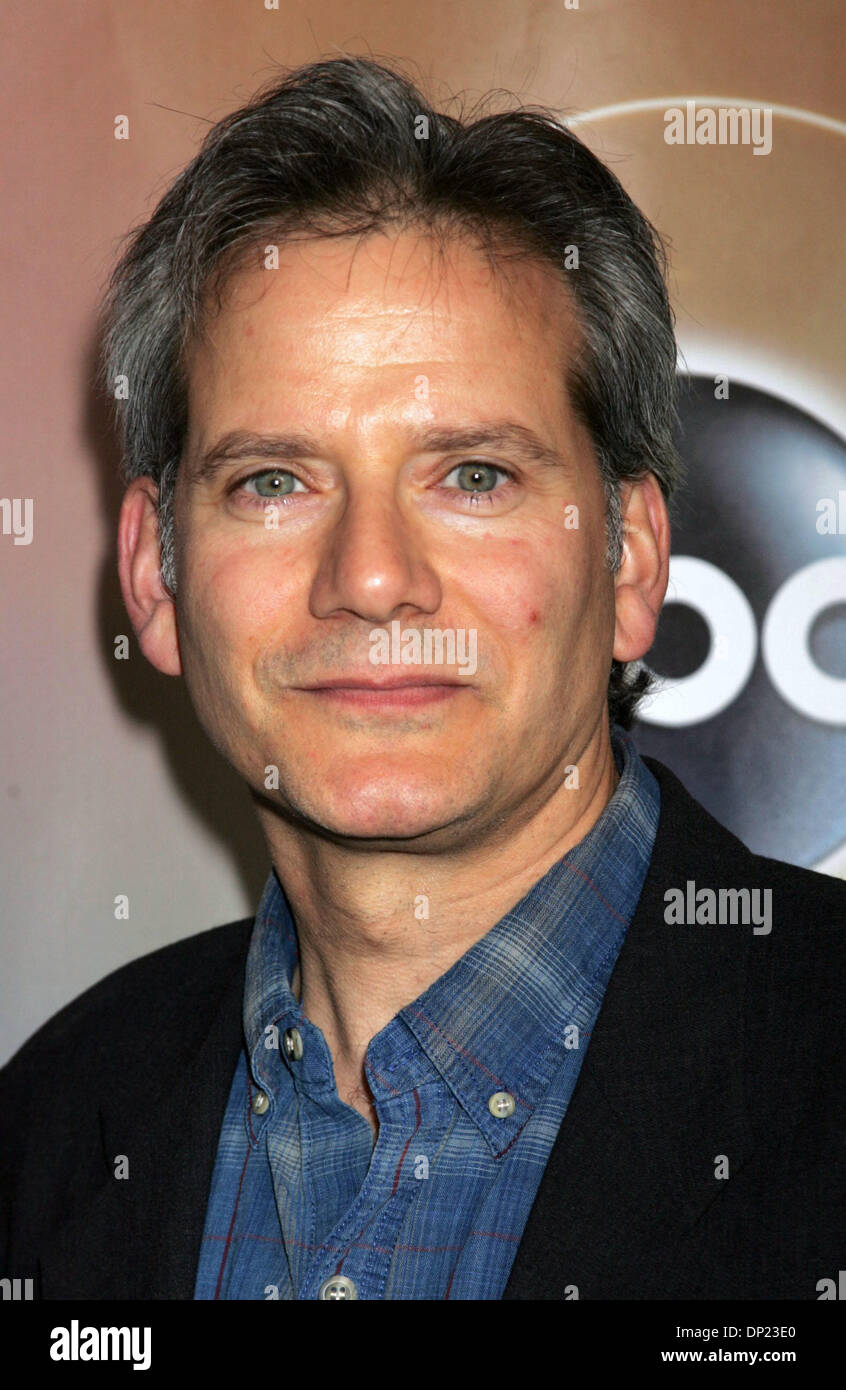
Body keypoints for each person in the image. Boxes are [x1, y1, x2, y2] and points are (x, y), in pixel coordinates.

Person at [2, 55, 843, 1302]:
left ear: (631, 559)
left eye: (474, 477)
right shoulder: (53, 1128)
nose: (374, 578)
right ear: (157, 577)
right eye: (274, 483)